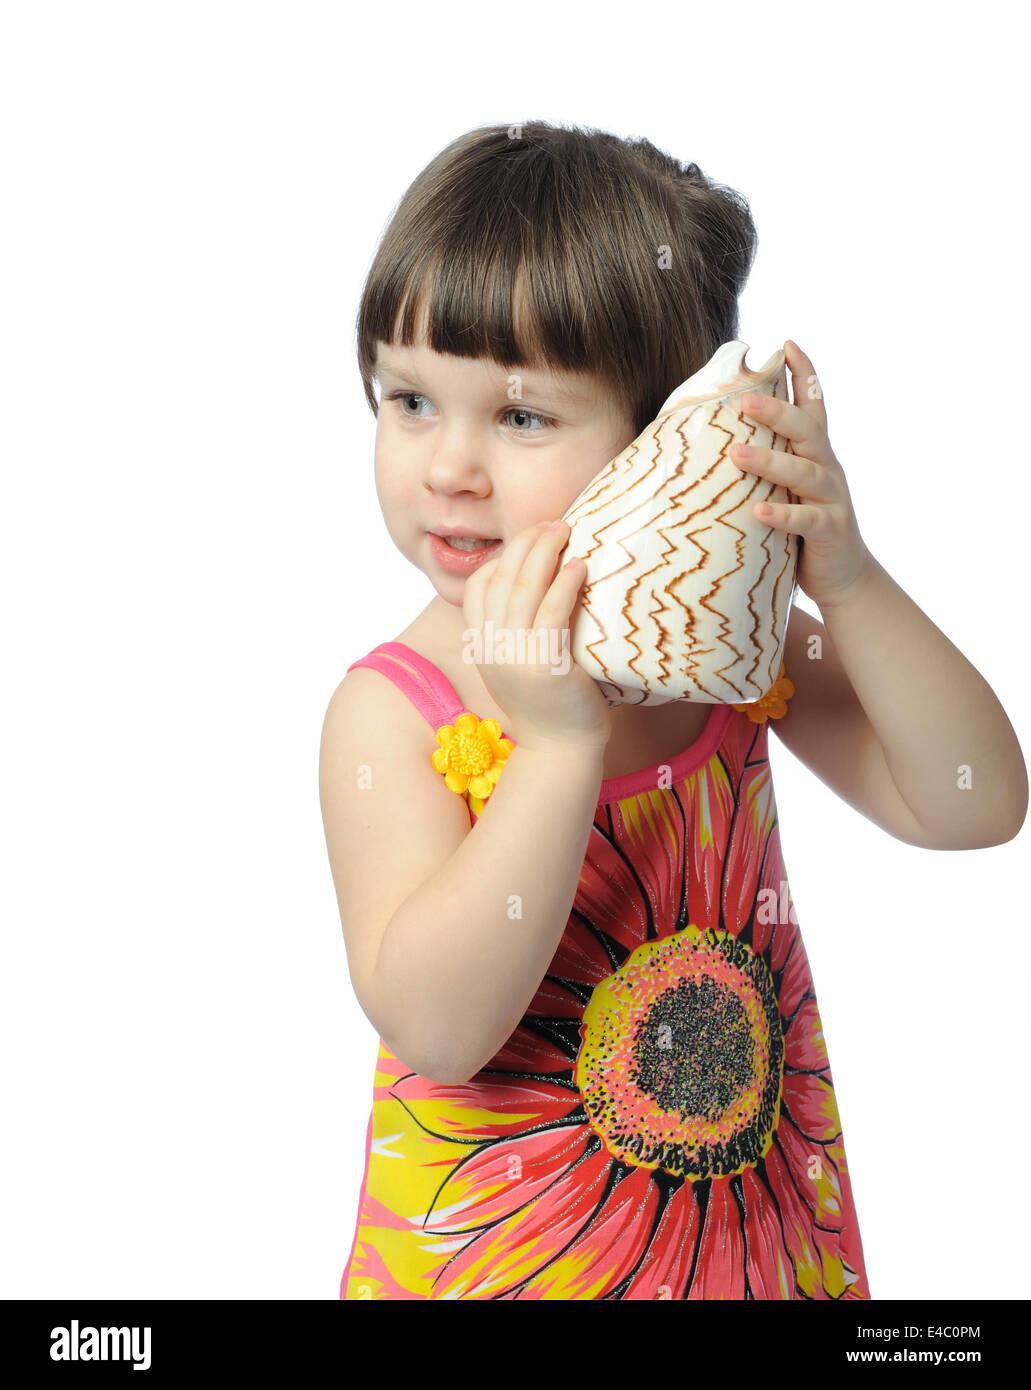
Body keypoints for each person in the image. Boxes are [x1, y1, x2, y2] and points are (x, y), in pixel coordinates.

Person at [319, 121, 1027, 1300]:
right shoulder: (392, 713)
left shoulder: (733, 658)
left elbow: (973, 803)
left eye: (521, 416)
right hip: (495, 1263)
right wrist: (552, 747)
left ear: (661, 441)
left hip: (748, 1255)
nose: (446, 466)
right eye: (408, 399)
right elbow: (440, 1028)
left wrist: (845, 583)